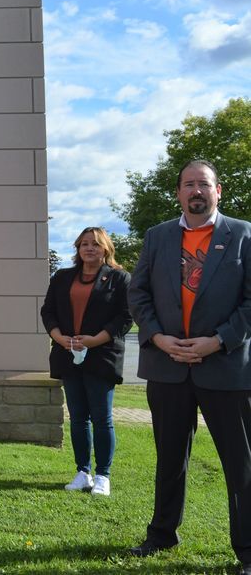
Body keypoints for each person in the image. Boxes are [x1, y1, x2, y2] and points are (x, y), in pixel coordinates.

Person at [127, 159, 251, 572]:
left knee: (241, 463)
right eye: (188, 185)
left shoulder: (243, 235)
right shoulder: (157, 236)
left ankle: (248, 550)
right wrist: (159, 337)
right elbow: (138, 293)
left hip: (227, 369)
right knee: (169, 459)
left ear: (219, 190)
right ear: (178, 192)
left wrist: (218, 341)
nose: (196, 191)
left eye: (203, 184)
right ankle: (161, 535)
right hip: (168, 367)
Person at [41, 227, 132, 497]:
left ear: (106, 248)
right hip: (68, 354)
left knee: (102, 418)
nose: (89, 248)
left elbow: (125, 318)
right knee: (78, 418)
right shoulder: (63, 277)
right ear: (77, 248)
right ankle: (83, 472)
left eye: (95, 244)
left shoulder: (119, 278)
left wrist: (94, 340)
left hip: (101, 355)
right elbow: (48, 311)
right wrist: (59, 337)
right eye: (84, 244)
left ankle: (103, 475)